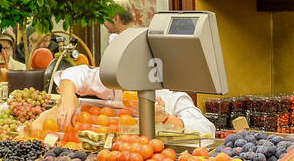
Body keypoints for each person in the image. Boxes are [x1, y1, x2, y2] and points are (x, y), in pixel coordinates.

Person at [51, 13, 215, 136]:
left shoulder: (172, 97)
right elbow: (74, 74)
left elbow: (207, 129)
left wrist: (164, 119)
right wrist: (68, 99)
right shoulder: (115, 84)